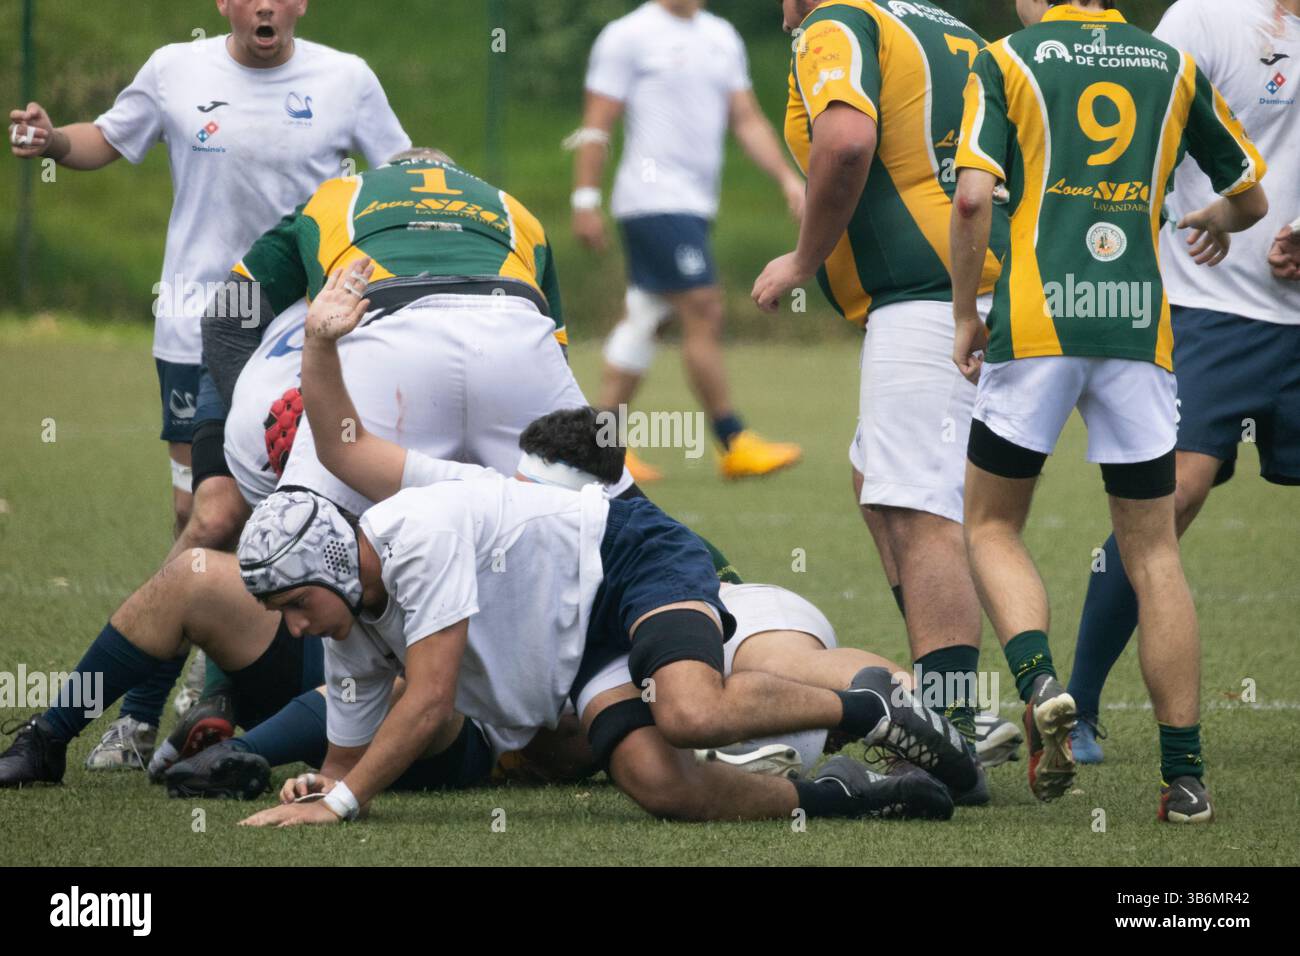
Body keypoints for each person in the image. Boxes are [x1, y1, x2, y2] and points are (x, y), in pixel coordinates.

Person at [231, 268, 981, 827]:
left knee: (687, 712)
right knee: (660, 784)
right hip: (581, 645)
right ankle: (844, 797)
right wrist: (321, 789)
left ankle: (868, 708)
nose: (293, 625)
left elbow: (427, 701)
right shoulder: (350, 629)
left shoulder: (419, 528)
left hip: (627, 557)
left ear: (328, 562)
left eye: (294, 603)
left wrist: (343, 804)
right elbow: (341, 758)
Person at [7, 0, 410, 768]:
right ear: (224, 3)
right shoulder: (174, 68)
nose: (265, 5)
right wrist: (55, 139)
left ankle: (210, 696)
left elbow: (395, 182)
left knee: (255, 513)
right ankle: (151, 708)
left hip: (305, 338)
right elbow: (107, 138)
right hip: (200, 329)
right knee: (199, 514)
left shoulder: (347, 79)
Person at [950, 0, 1267, 821]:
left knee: (989, 525)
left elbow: (970, 198)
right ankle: (1186, 780)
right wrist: (1217, 220)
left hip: (1039, 323)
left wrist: (962, 313)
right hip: (1138, 330)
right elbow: (1250, 194)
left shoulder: (1008, 57)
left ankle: (1042, 684)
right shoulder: (1173, 64)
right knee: (1154, 553)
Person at [752, 0, 1007, 742]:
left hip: (928, 295)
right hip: (994, 280)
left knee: (920, 508)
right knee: (879, 480)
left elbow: (846, 141)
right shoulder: (952, 27)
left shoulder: (835, 22)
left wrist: (804, 258)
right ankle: (954, 690)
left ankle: (955, 719)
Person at [1066, 0, 1300, 764]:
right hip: (1213, 308)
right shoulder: (1203, 18)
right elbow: (1136, 138)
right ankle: (1081, 706)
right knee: (1169, 499)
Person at [571, 0, 805, 481]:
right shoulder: (627, 35)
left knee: (646, 318)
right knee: (703, 306)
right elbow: (597, 124)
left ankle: (602, 447)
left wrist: (787, 178)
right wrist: (584, 198)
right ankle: (733, 439)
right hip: (652, 200)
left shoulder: (721, 36)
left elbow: (746, 118)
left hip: (696, 206)